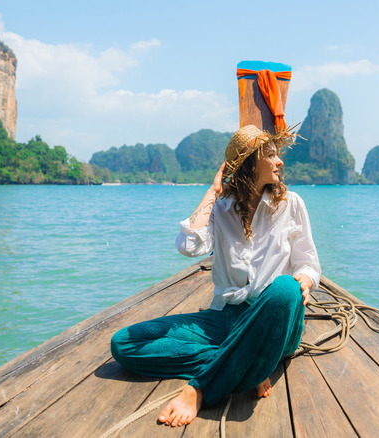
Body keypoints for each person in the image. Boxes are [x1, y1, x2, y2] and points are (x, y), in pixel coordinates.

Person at [110, 124, 321, 427]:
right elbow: (188, 246)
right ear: (250, 163)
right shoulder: (221, 208)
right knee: (125, 344)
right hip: (226, 317)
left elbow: (309, 263)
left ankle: (200, 388)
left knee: (286, 289)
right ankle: (246, 365)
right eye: (271, 155)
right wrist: (212, 192)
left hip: (274, 320)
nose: (280, 162)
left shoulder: (291, 204)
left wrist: (306, 280)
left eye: (278, 155)